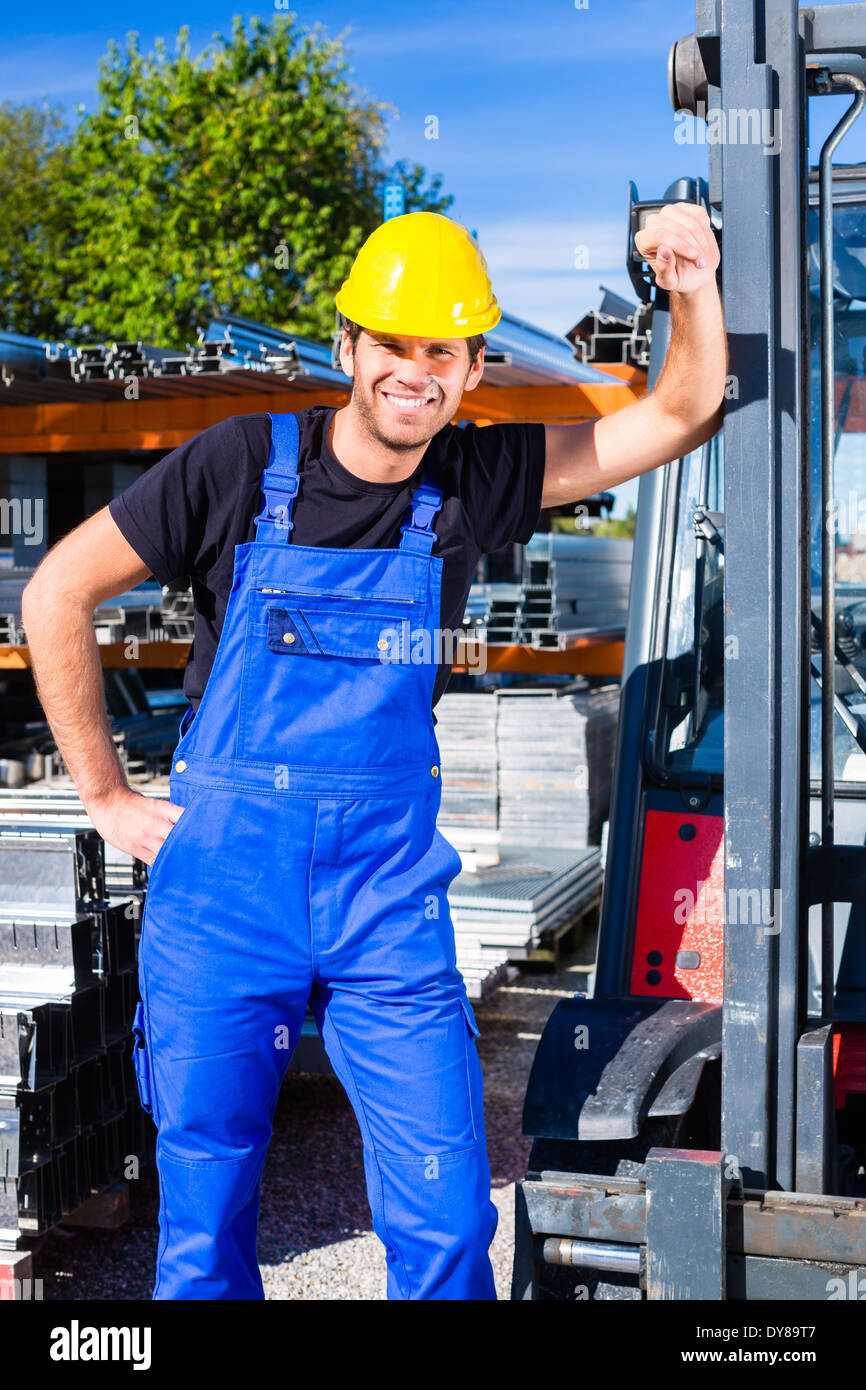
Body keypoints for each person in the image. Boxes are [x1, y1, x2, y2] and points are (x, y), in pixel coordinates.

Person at [22, 206, 726, 1300]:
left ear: (470, 368)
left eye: (439, 349)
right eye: (392, 342)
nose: (414, 369)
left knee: (447, 1218)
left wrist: (690, 283)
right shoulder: (236, 463)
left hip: (383, 903)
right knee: (202, 1218)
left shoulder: (475, 480)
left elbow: (678, 412)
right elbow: (57, 590)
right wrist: (106, 793)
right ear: (347, 347)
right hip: (223, 898)